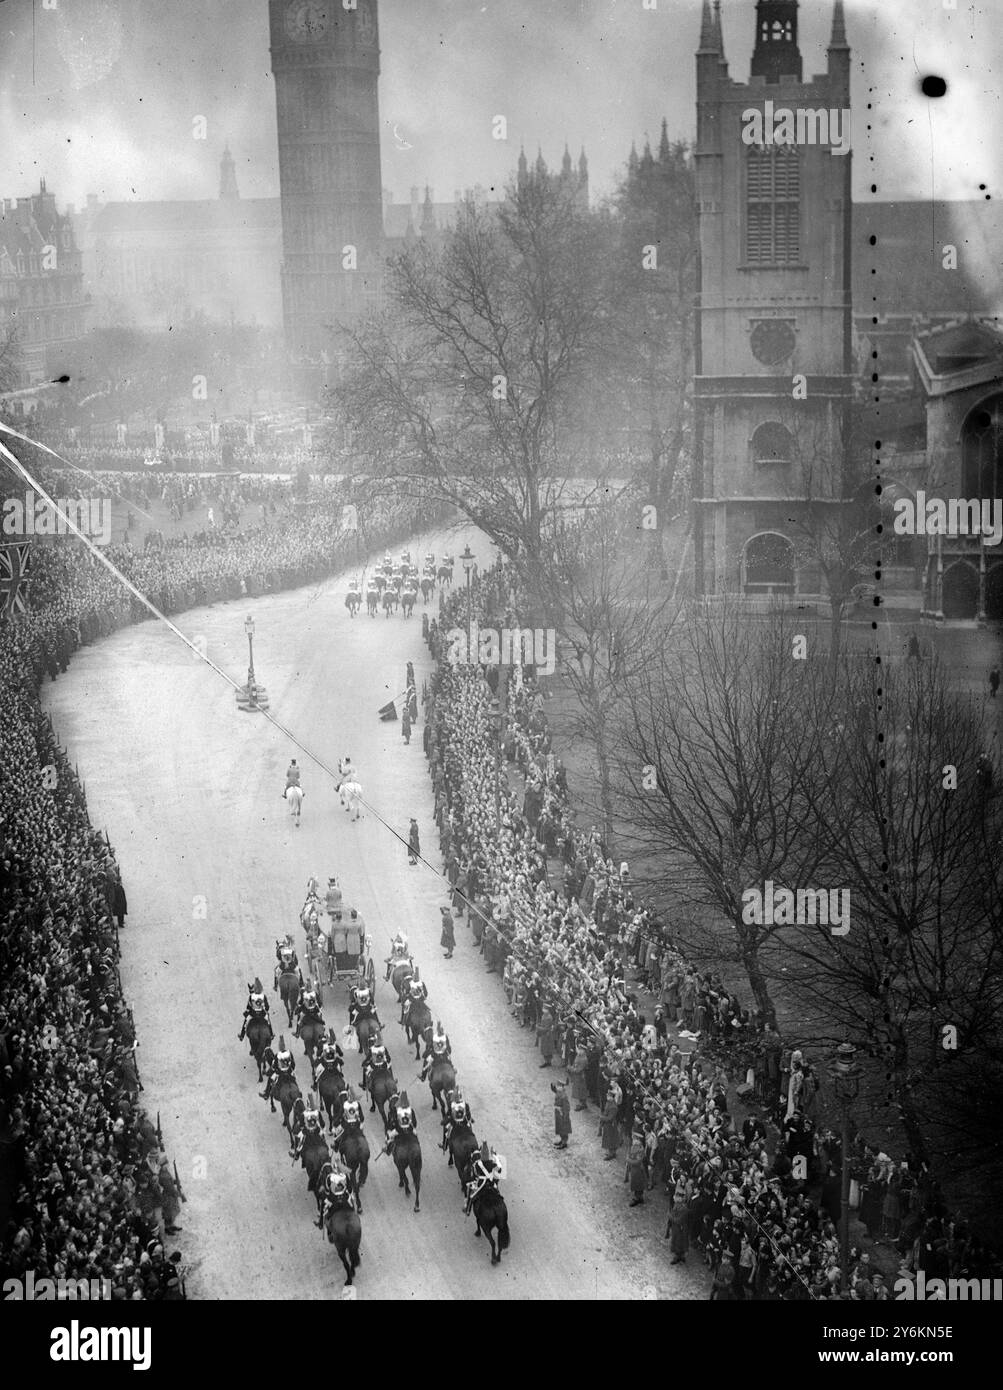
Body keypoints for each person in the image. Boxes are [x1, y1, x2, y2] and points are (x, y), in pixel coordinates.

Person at [465, 1140, 501, 1211]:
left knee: (470, 1192)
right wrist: (495, 1156)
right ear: (488, 1155)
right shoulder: (492, 1163)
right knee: (497, 1192)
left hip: (481, 1184)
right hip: (491, 1183)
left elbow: (475, 1174)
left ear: (481, 1155)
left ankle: (467, 1209)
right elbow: (499, 1170)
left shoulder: (477, 1164)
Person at [625, 1132, 647, 1206]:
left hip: (638, 1170)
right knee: (635, 1183)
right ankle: (638, 1197)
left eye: (634, 1138)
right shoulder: (635, 1146)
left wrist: (628, 1160)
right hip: (634, 1169)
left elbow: (638, 1162)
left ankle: (637, 1198)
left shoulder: (640, 1149)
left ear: (638, 1140)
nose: (633, 1140)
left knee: (637, 1184)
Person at [552, 1078, 571, 1150]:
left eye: (558, 1086)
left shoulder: (564, 1096)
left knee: (563, 1129)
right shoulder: (559, 1092)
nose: (557, 1087)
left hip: (562, 1114)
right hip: (558, 1113)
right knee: (560, 1128)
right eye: (557, 1086)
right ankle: (562, 1140)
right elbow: (556, 1092)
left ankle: (564, 1142)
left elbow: (567, 1107)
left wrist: (565, 1116)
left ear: (562, 1087)